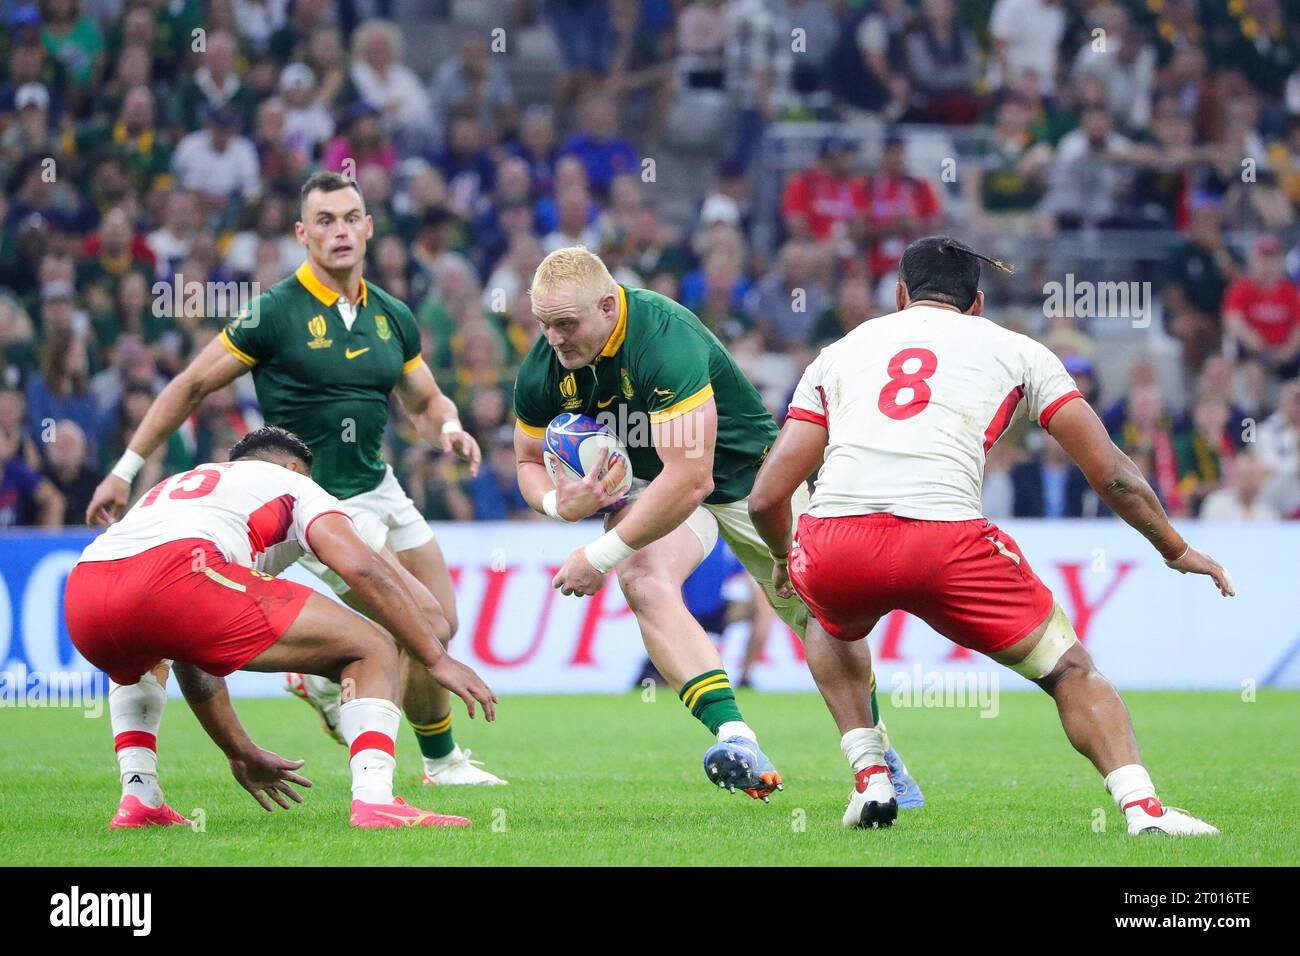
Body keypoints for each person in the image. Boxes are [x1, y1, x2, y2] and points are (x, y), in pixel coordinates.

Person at [749, 236, 1233, 834]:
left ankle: (871, 775)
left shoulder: (839, 352)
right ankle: (1143, 810)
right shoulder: (1019, 351)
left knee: (826, 622)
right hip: (946, 542)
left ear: (901, 296)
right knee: (1070, 671)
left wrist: (782, 558)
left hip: (837, 538)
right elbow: (1111, 474)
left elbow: (768, 496)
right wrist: (1176, 549)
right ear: (977, 304)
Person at [85, 171, 506, 788]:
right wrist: (124, 469)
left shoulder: (391, 314)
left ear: (368, 227)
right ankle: (414, 744)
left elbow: (426, 399)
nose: (340, 231)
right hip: (307, 500)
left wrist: (448, 426)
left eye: (351, 217)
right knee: (422, 629)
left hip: (378, 484)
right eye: (325, 221)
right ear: (302, 234)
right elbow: (192, 385)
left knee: (440, 621)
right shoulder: (276, 312)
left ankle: (384, 719)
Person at [512, 247, 920, 804]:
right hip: (662, 488)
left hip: (747, 479)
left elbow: (693, 479)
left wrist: (596, 555)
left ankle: (879, 757)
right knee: (643, 579)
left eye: (566, 325)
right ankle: (737, 737)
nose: (554, 340)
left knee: (822, 614)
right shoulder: (546, 362)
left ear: (609, 306)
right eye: (545, 325)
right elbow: (527, 460)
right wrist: (562, 506)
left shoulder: (662, 339)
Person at [65, 427, 496, 829]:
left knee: (146, 659)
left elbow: (187, 649)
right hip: (180, 572)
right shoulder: (296, 484)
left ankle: (139, 795)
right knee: (373, 645)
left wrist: (240, 751)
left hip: (86, 592)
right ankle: (374, 800)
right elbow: (362, 567)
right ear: (293, 468)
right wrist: (436, 658)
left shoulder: (182, 486)